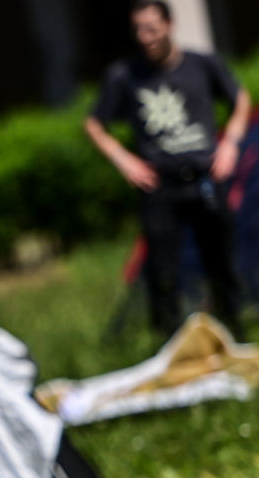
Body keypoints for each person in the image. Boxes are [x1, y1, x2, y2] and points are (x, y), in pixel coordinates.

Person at [84, 0, 250, 339]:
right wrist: (123, 159)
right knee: (163, 274)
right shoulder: (125, 75)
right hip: (160, 188)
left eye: (152, 28)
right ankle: (168, 347)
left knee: (222, 266)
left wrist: (231, 142)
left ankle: (235, 335)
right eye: (138, 30)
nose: (145, 37)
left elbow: (241, 99)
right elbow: (94, 124)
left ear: (169, 25)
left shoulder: (203, 64)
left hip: (206, 180)